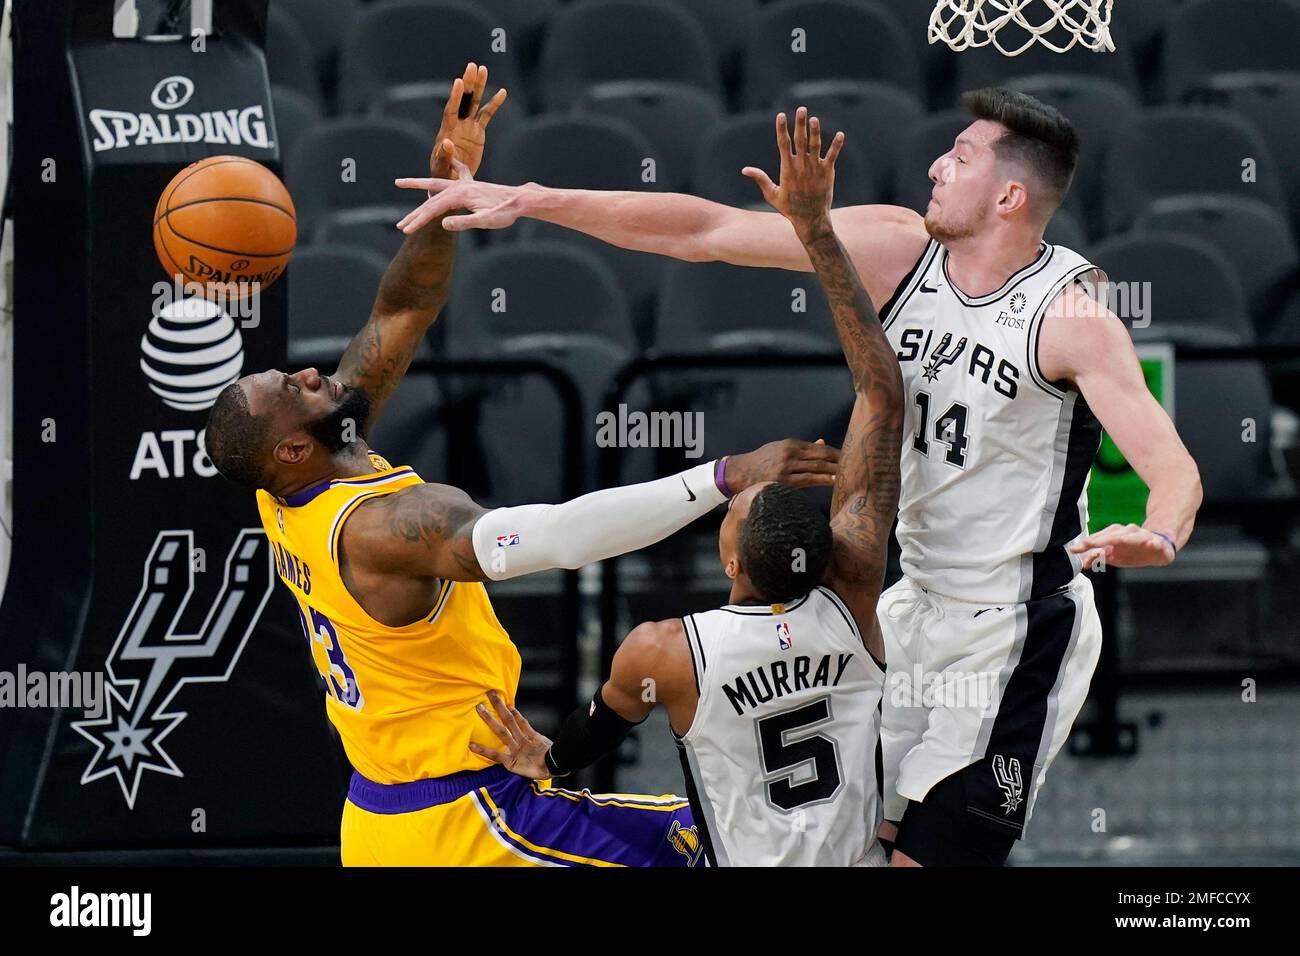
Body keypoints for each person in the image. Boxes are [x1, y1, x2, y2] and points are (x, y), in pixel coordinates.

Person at [394, 87, 1203, 865]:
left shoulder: (1070, 317)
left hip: (1013, 629)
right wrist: (532, 198)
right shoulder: (900, 250)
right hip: (908, 605)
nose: (935, 168)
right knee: (858, 845)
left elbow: (1172, 466)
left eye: (960, 158)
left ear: (1009, 198)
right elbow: (705, 230)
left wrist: (1159, 534)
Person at [203, 64, 839, 867]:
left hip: (385, 814)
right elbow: (558, 536)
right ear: (291, 447)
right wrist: (721, 478)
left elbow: (401, 309)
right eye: (285, 388)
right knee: (722, 843)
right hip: (463, 820)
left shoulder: (294, 478)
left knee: (709, 830)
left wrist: (445, 201)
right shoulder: (381, 527)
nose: (302, 371)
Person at [471, 111, 903, 867]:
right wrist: (819, 233)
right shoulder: (854, 593)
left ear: (732, 564)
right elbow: (884, 394)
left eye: (731, 513)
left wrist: (546, 760)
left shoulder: (666, 652)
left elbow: (594, 732)